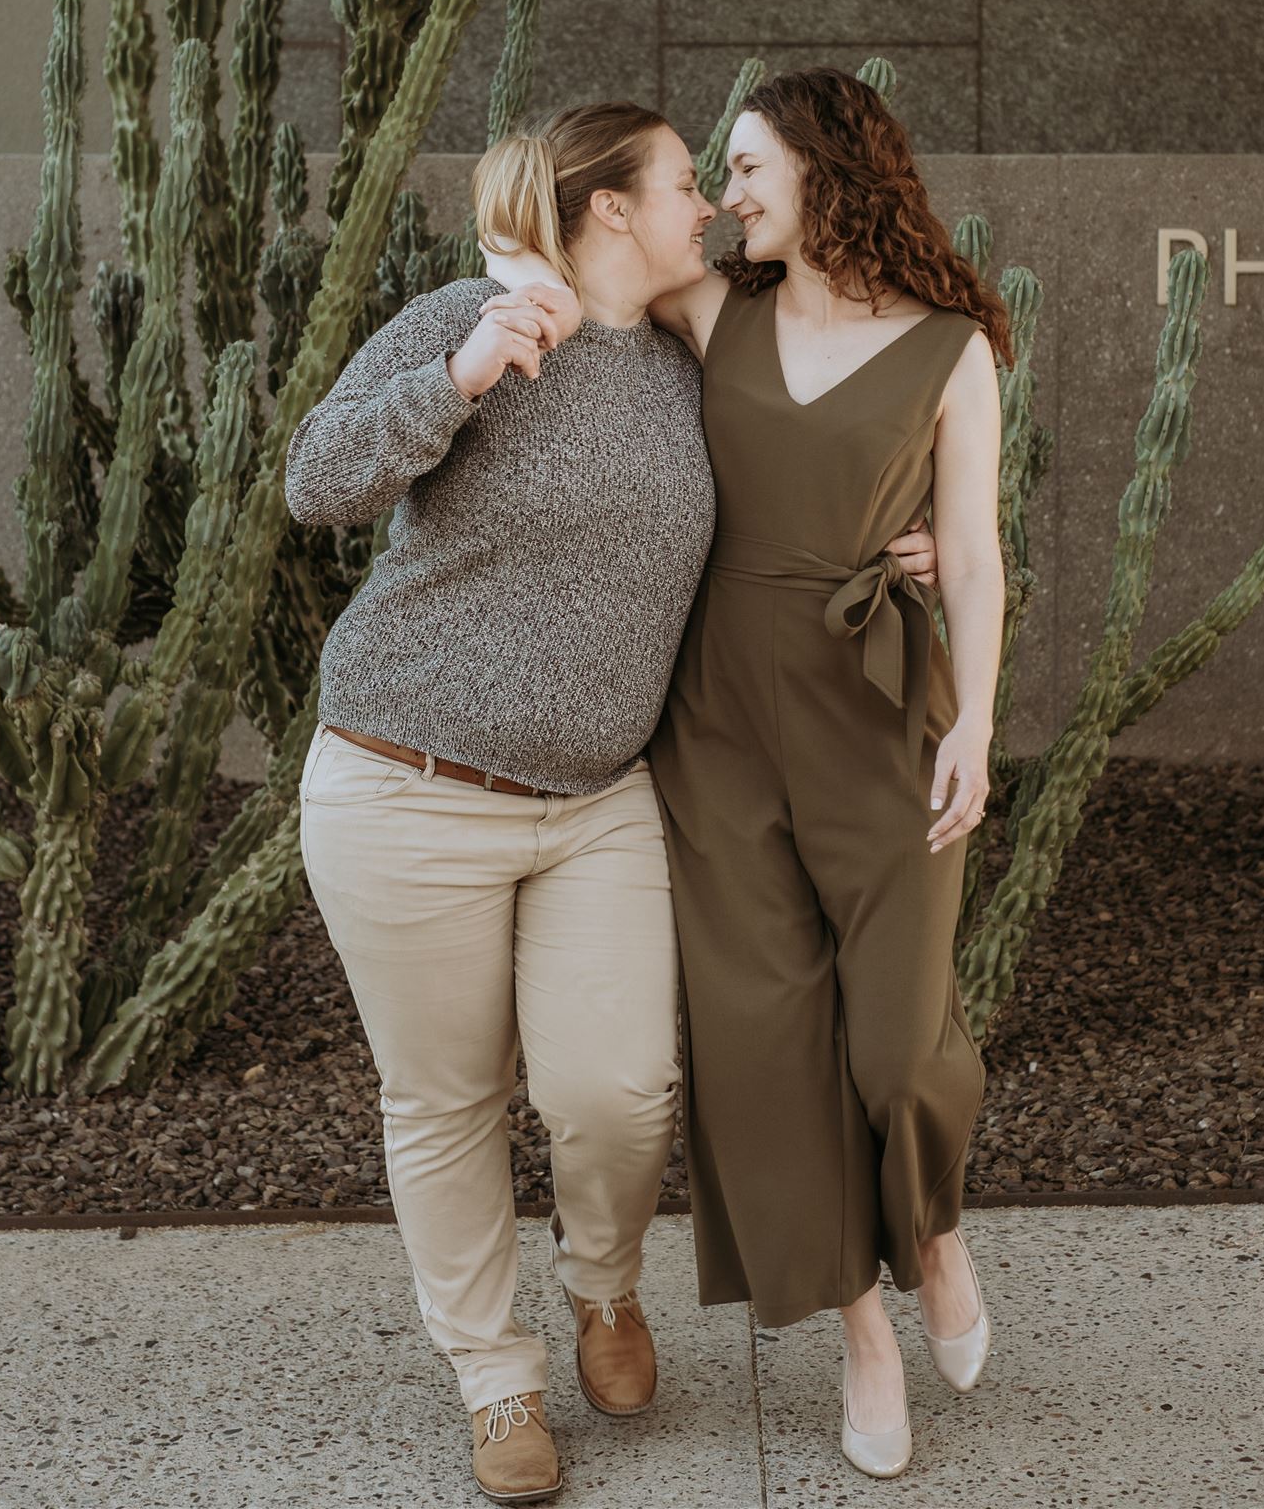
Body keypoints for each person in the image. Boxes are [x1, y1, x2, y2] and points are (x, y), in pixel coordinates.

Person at [285, 96, 940, 1505]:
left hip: (597, 800)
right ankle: (494, 1385)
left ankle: (603, 1290)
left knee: (619, 1091)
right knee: (446, 1102)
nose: (702, 203)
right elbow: (315, 479)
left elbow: (800, 468)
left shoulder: (696, 355)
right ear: (610, 212)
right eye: (679, 183)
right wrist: (456, 376)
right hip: (404, 786)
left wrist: (907, 538)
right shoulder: (474, 314)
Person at [486, 66, 1008, 1479]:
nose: (724, 197)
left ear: (830, 175)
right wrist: (494, 278)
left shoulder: (950, 348)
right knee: (766, 1051)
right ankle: (861, 1336)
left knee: (896, 1041)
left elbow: (967, 549)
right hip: (716, 730)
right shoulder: (713, 311)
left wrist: (973, 724)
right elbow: (561, 238)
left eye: (752, 169)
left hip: (881, 709)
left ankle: (936, 1234)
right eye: (717, 172)